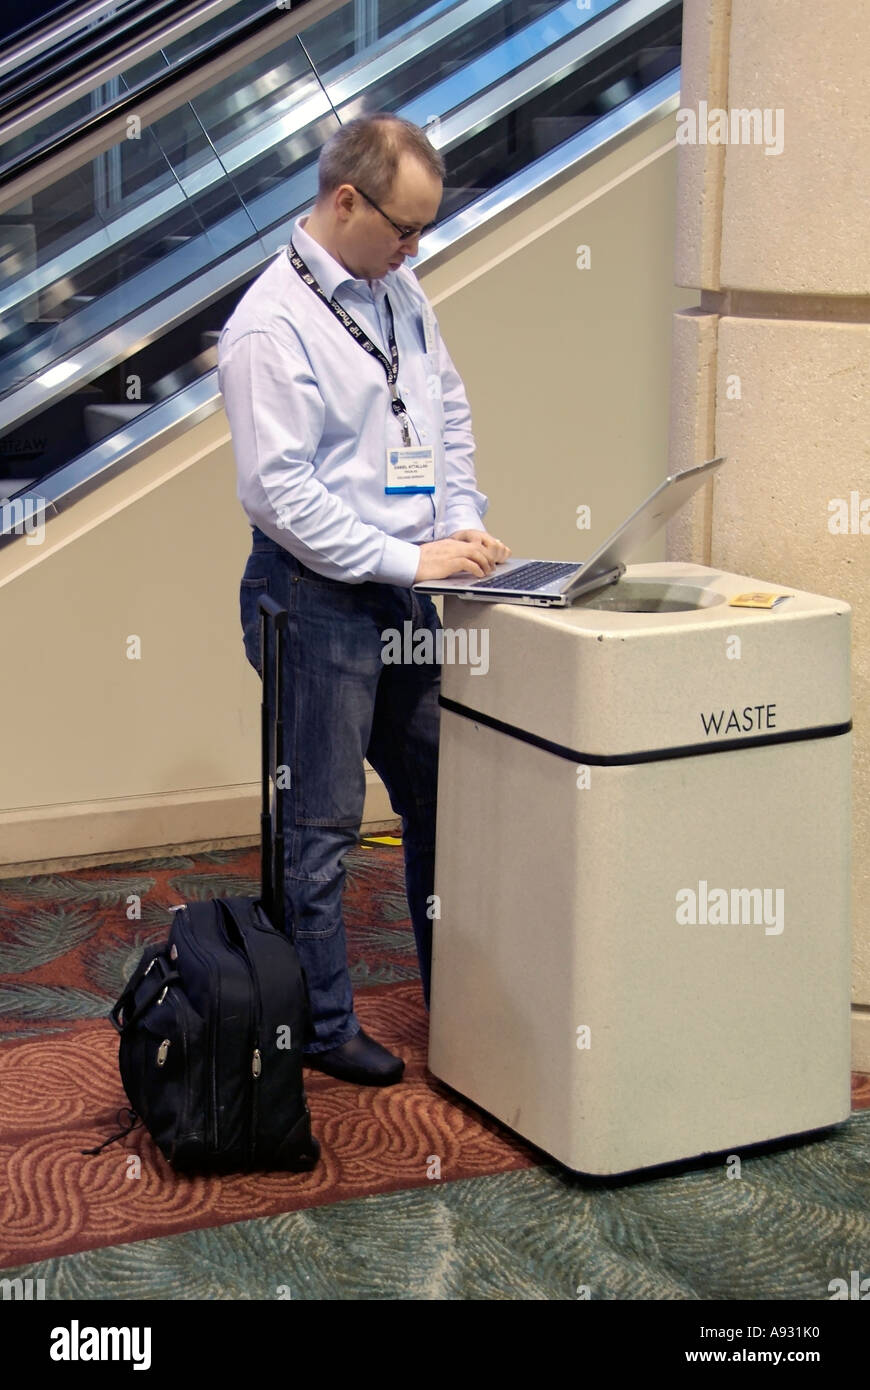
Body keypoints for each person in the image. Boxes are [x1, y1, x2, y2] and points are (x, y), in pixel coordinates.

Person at [218, 112, 510, 1087]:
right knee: (322, 828)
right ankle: (323, 1024)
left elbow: (445, 405)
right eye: (404, 227)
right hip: (314, 598)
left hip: (397, 585)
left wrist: (457, 526)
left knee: (445, 795)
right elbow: (281, 494)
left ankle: (456, 994)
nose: (414, 247)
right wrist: (407, 557)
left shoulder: (396, 287)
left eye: (424, 230)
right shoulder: (271, 325)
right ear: (346, 200)